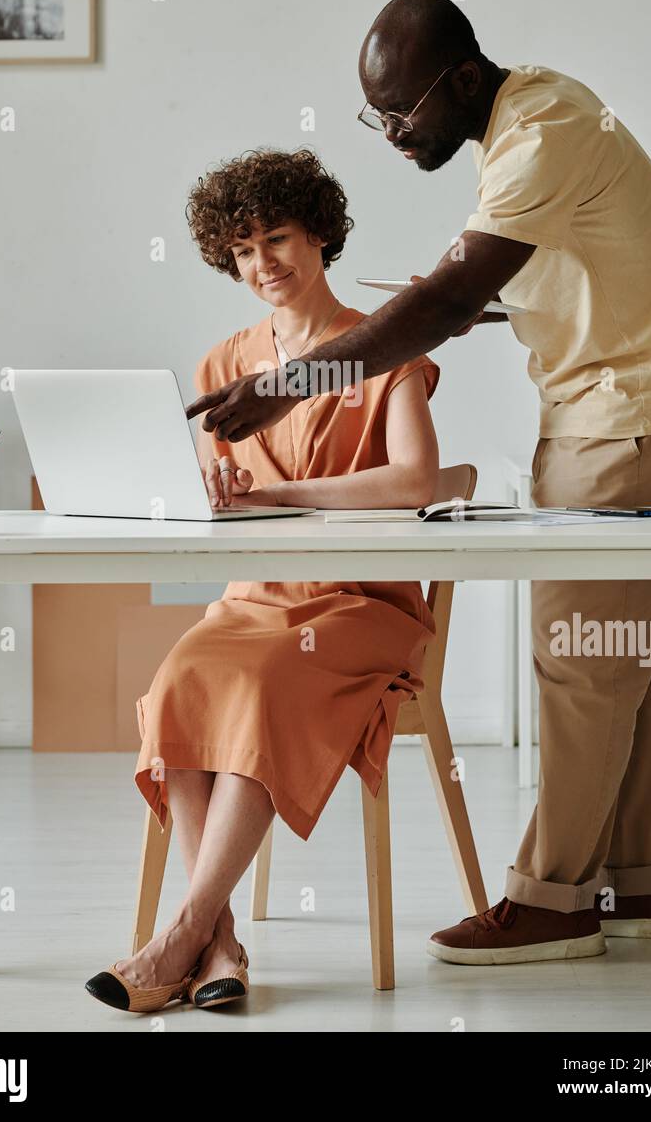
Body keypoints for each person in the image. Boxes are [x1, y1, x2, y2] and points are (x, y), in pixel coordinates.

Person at [187, 0, 651, 966]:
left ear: (465, 79)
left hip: (630, 412)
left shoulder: (539, 138)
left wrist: (293, 383)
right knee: (621, 656)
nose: (394, 136)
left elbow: (448, 296)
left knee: (577, 654)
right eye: (378, 118)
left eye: (402, 113)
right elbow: (511, 277)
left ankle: (552, 899)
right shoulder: (529, 121)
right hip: (627, 405)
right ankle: (640, 883)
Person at [85, 147, 441, 1012]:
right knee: (181, 683)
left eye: (276, 238)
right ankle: (221, 947)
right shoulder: (221, 365)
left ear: (320, 234)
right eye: (242, 250)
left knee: (260, 682)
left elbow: (415, 482)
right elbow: (218, 498)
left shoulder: (380, 349)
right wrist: (207, 492)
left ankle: (178, 935)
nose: (261, 265)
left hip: (361, 603)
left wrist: (276, 492)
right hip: (255, 598)